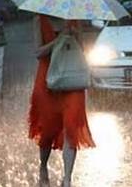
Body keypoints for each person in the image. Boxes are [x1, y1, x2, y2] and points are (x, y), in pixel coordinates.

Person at [29, 15, 95, 187]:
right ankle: (43, 166)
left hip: (72, 79)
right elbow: (38, 53)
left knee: (72, 126)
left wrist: (72, 37)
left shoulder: (75, 20)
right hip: (47, 81)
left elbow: (82, 49)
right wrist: (58, 40)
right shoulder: (39, 20)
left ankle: (67, 178)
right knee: (48, 130)